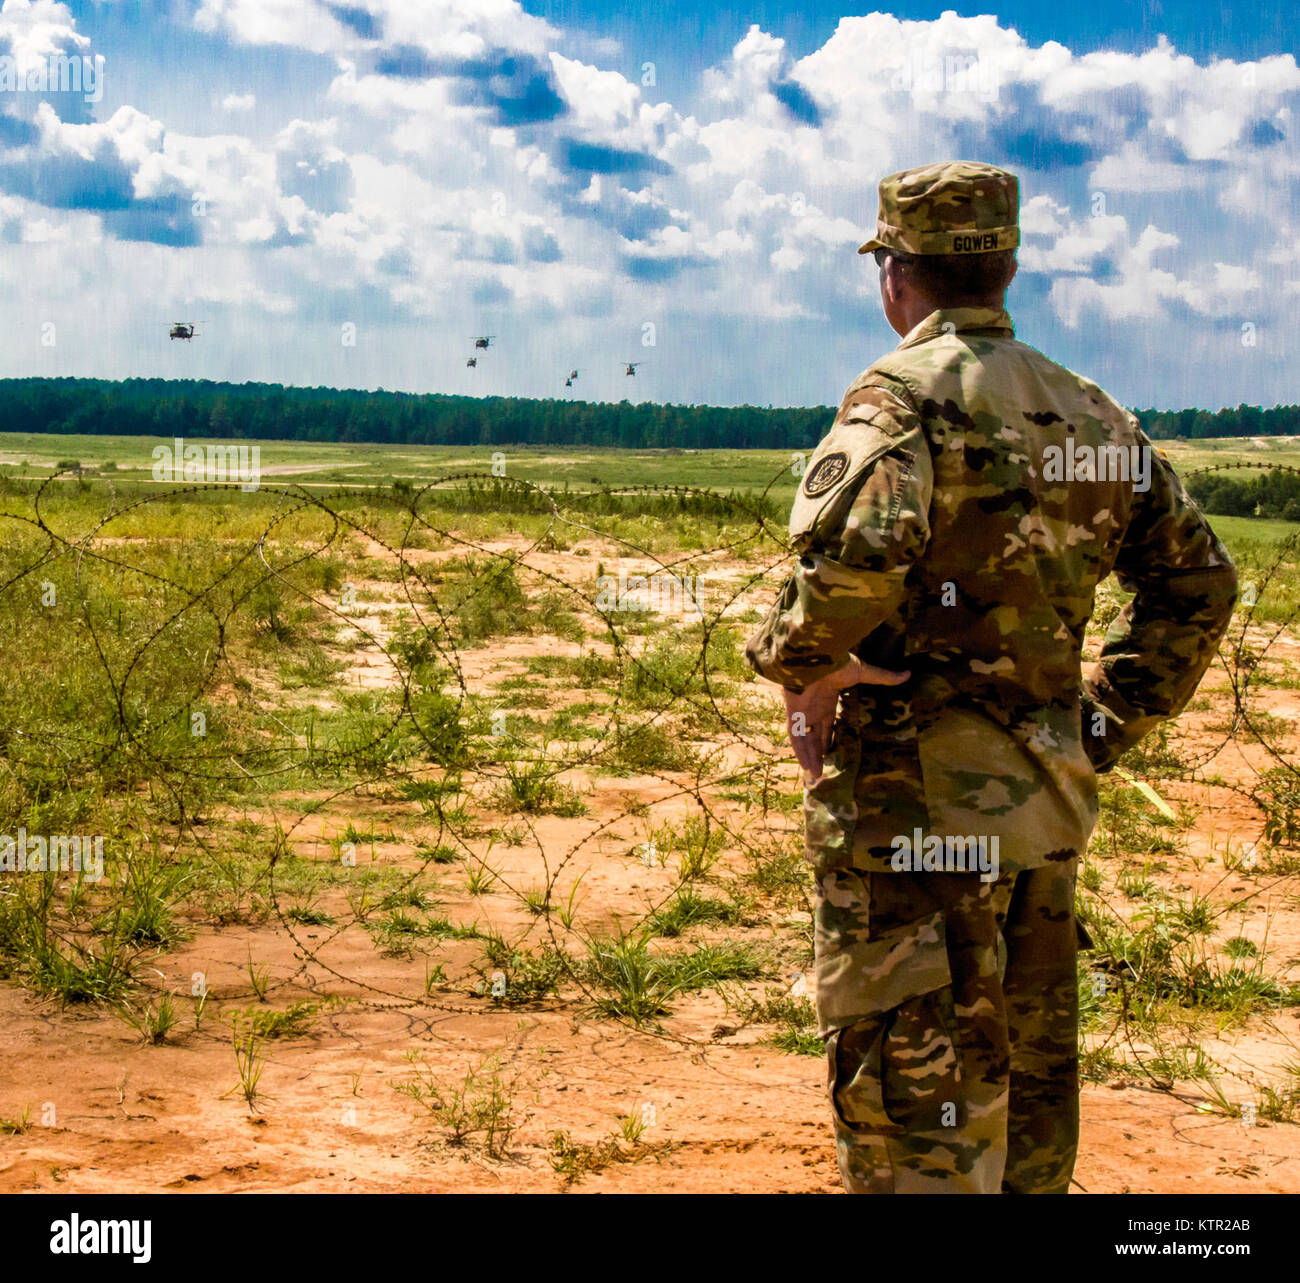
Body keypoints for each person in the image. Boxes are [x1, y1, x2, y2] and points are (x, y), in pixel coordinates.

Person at [744, 160, 1238, 1194]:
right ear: (1006, 268)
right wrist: (1100, 723)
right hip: (1042, 799)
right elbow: (1198, 582)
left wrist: (797, 660)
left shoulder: (901, 399)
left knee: (914, 1104)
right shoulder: (1086, 412)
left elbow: (849, 566)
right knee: (1027, 1081)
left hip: (913, 811)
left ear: (894, 273)